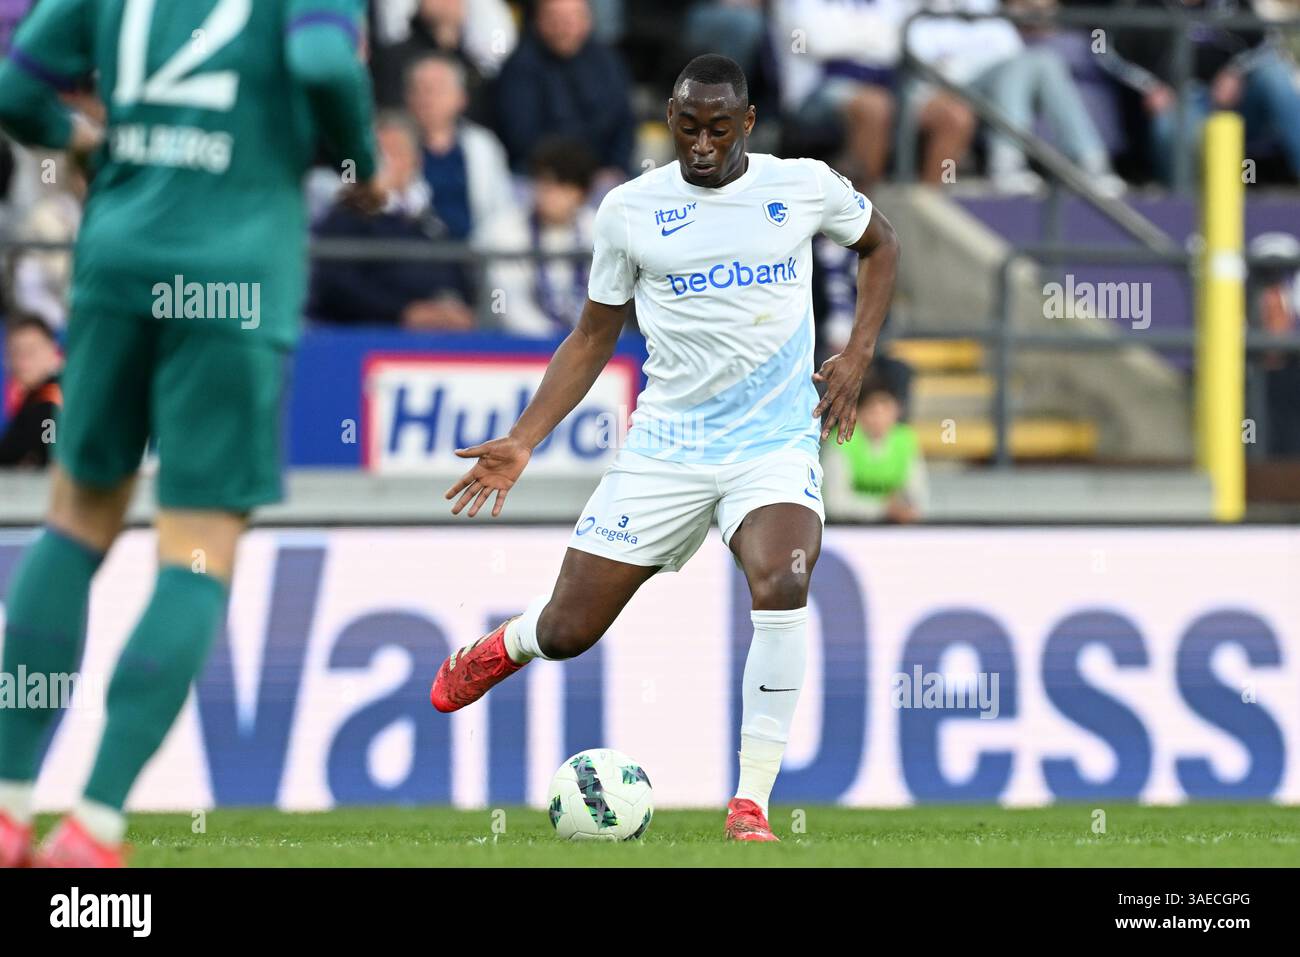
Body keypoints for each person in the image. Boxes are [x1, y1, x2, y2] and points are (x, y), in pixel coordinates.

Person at [429, 54, 900, 842]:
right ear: (670, 121)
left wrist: (857, 356)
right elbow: (591, 336)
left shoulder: (801, 184)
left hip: (773, 442)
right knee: (569, 631)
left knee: (784, 577)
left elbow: (881, 245)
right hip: (667, 447)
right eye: (688, 127)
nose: (704, 144)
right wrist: (524, 437)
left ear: (748, 123)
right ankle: (507, 644)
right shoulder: (630, 210)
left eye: (720, 128)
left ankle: (749, 802)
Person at [0, 0, 379, 868]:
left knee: (75, 520)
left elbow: (15, 90)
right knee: (197, 546)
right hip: (233, 277)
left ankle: (9, 803)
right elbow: (323, 61)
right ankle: (93, 825)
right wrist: (363, 160)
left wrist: (83, 140)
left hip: (114, 266)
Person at [773, 0, 976, 186]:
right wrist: (878, 35)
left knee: (955, 115)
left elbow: (914, 41)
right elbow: (815, 40)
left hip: (891, 84)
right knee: (875, 108)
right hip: (816, 91)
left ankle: (929, 213)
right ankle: (862, 218)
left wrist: (850, 32)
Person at [1099, 0, 1300, 184]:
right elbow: (1103, 48)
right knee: (1170, 126)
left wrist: (1236, 71)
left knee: (1276, 75)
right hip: (1181, 102)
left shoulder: (1233, 4)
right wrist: (1150, 86)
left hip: (1236, 102)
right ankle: (1180, 206)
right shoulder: (1144, 7)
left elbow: (1268, 42)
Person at [310, 112, 474, 330]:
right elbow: (337, 285)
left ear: (416, 161)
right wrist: (403, 312)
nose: (385, 161)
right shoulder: (346, 215)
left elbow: (458, 277)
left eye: (395, 152)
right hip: (366, 339)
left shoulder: (432, 220)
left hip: (437, 339)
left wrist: (451, 304)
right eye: (378, 152)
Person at [494, 0, 635, 178]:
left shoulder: (607, 60)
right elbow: (522, 140)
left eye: (573, 18)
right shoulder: (520, 67)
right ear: (538, 21)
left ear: (588, 20)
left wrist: (616, 166)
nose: (564, 27)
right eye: (555, 18)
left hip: (602, 173)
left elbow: (624, 122)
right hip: (542, 177)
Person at [476, 137, 598, 335]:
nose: (549, 195)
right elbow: (510, 306)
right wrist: (558, 344)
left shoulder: (600, 231)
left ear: (581, 193)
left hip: (588, 347)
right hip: (522, 349)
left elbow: (611, 303)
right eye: (543, 184)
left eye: (561, 187)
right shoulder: (505, 231)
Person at [405, 53, 513, 243]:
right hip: (413, 258)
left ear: (461, 98)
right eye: (418, 89)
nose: (426, 98)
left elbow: (501, 209)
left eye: (436, 90)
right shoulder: (393, 145)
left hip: (474, 256)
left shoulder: (484, 146)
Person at [822, 376, 928, 524]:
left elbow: (918, 498)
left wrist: (905, 510)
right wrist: (883, 508)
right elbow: (835, 503)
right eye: (873, 411)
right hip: (847, 527)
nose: (879, 418)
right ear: (857, 412)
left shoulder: (906, 440)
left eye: (886, 409)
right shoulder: (840, 441)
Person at [0, 315, 62, 468]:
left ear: (53, 351)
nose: (22, 361)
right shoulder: (32, 398)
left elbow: (51, 459)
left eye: (31, 351)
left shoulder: (52, 401)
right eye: (15, 352)